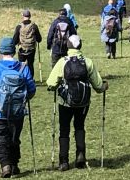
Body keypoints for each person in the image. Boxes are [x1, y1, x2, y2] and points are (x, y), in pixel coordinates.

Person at [46, 35, 107, 171]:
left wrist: (54, 86)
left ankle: (63, 162)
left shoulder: (62, 61)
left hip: (65, 103)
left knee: (64, 129)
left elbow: (50, 83)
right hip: (83, 103)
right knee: (79, 126)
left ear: (68, 46)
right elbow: (98, 86)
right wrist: (104, 86)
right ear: (80, 46)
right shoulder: (88, 62)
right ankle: (80, 156)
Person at [0, 37, 37, 179]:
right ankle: (14, 165)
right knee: (14, 138)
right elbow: (31, 89)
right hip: (17, 112)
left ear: (1, 51)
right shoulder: (23, 68)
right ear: (13, 51)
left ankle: (5, 165)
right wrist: (23, 100)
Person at [12, 9, 42, 74]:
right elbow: (39, 39)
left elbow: (14, 40)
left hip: (21, 49)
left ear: (23, 16)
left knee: (21, 65)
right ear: (30, 16)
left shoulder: (19, 26)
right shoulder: (34, 26)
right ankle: (30, 80)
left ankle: (21, 79)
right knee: (30, 65)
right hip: (31, 49)